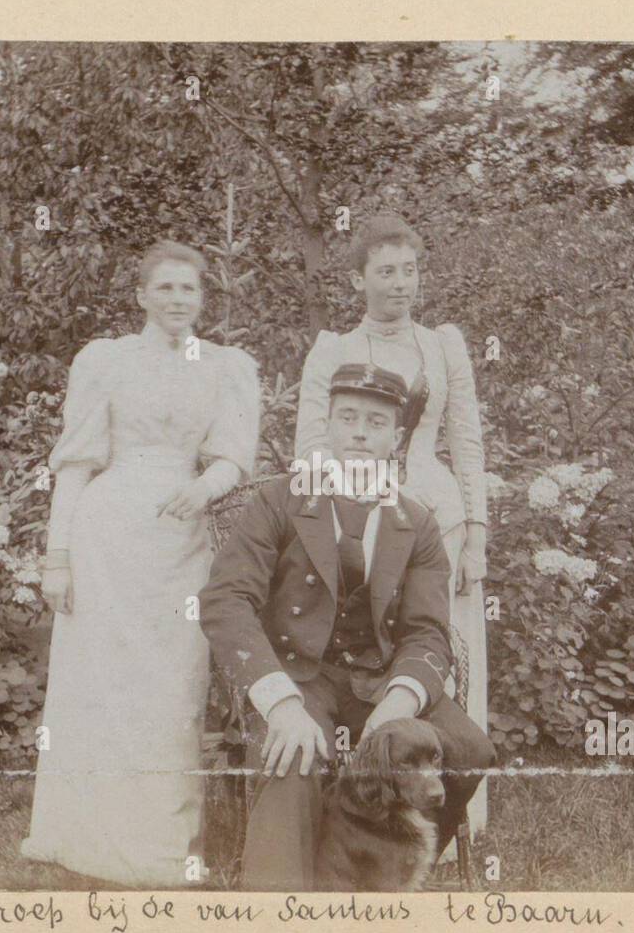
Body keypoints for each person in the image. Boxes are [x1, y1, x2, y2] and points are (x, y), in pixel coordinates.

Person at [199, 362, 495, 890]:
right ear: (328, 427)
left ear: (397, 438)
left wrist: (399, 702)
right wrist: (280, 703)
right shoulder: (282, 501)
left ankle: (381, 866)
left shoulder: (416, 521)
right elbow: (226, 600)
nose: (360, 431)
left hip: (379, 681)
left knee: (469, 749)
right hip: (296, 678)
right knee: (293, 756)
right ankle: (280, 920)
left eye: (376, 422)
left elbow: (428, 631)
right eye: (348, 418)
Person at [21, 240, 260, 886]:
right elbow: (75, 464)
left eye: (190, 289)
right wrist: (59, 558)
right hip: (107, 534)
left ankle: (159, 844)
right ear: (142, 296)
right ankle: (84, 835)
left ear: (203, 299)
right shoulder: (106, 361)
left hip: (180, 544)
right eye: (167, 288)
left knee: (171, 689)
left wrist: (205, 488)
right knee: (103, 686)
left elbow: (235, 454)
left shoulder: (223, 366)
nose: (179, 300)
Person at [293, 214, 491, 843]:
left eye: (410, 270)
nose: (400, 284)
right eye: (385, 272)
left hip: (437, 514)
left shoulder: (443, 344)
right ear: (360, 280)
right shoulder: (332, 347)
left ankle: (441, 811)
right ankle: (362, 808)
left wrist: (478, 532)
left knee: (437, 652)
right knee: (369, 642)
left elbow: (467, 440)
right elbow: (310, 449)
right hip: (357, 517)